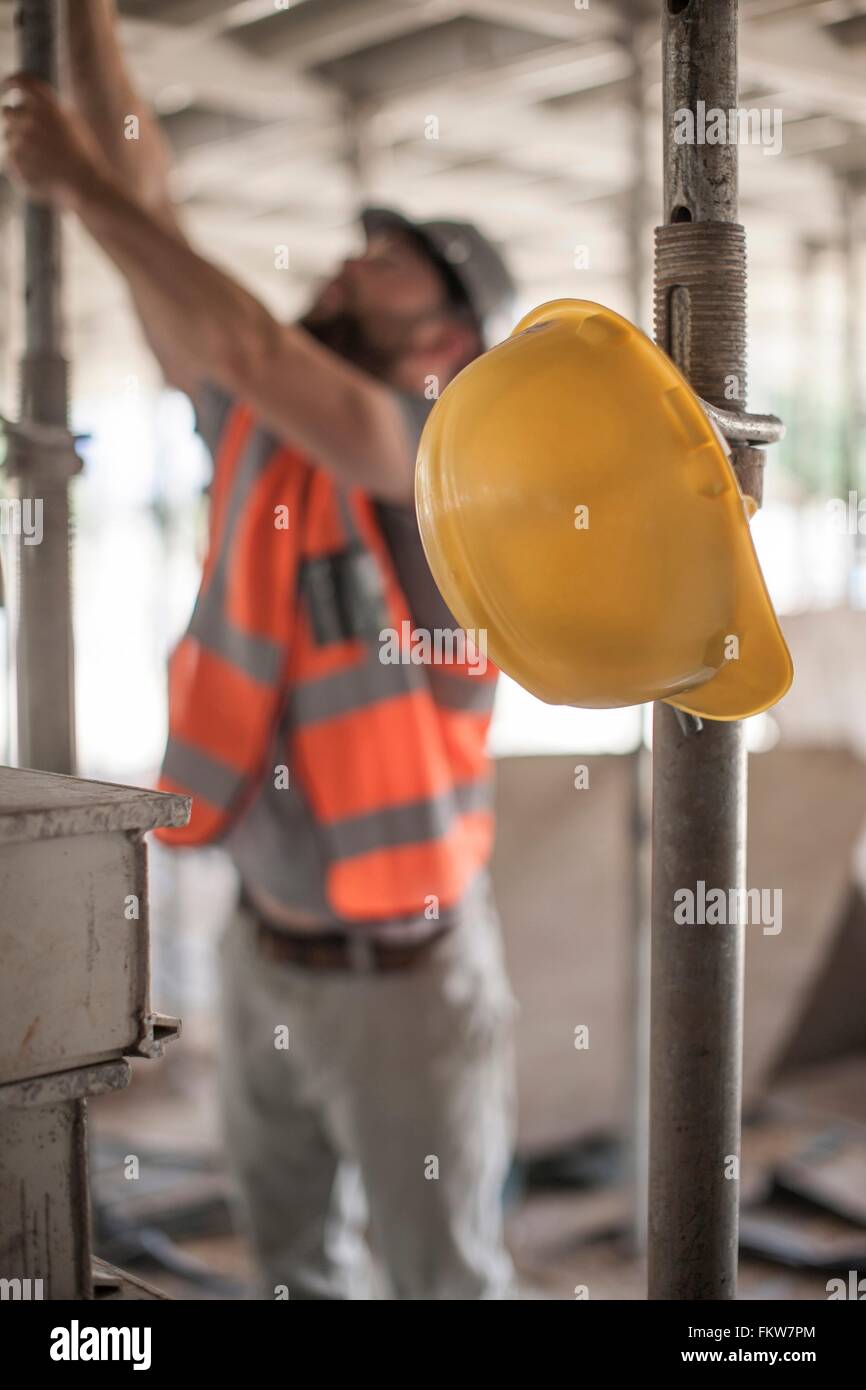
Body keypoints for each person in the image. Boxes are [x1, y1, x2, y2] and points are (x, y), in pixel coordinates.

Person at [2, 0, 519, 1300]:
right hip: (265, 950)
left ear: (447, 338)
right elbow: (156, 212)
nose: (352, 263)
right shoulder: (265, 439)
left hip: (408, 985)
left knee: (441, 1279)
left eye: (390, 260)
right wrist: (86, 19)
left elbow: (225, 324)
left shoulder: (425, 457)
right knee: (294, 1268)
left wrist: (66, 180)